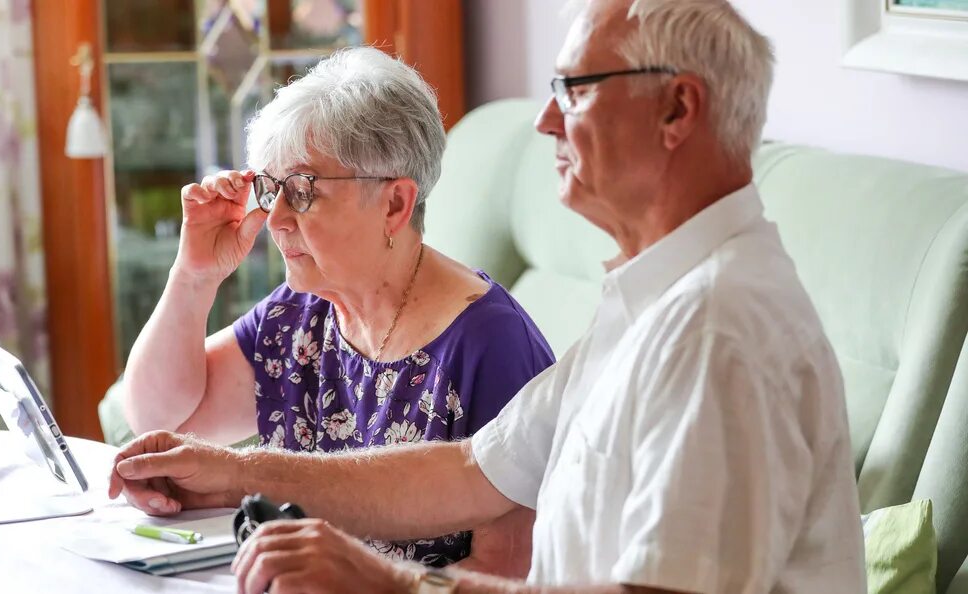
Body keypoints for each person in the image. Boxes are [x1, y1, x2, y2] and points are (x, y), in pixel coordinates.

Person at [109, 1, 868, 592]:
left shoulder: (716, 327)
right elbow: (471, 471)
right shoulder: (652, 300)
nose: (544, 120)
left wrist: (393, 584)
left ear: (677, 110)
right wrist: (237, 472)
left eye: (574, 90)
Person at [118, 46, 555, 573]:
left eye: (301, 191)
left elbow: (506, 568)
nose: (275, 219)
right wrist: (193, 276)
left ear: (394, 204)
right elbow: (159, 416)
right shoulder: (300, 315)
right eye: (271, 188)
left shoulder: (491, 345)